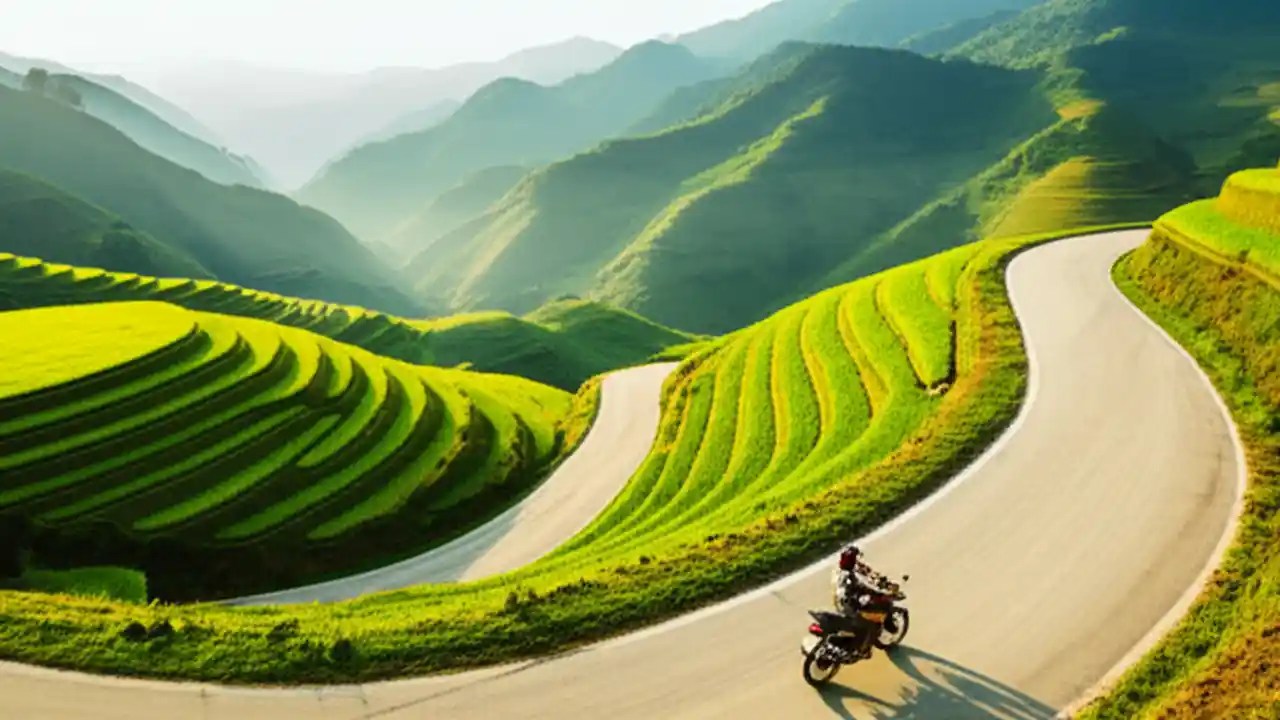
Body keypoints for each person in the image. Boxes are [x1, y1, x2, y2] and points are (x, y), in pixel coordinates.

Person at [830, 544, 894, 659]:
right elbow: (868, 587)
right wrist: (882, 593)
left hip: (839, 602)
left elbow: (865, 571)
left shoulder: (839, 570)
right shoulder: (852, 577)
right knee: (874, 625)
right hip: (850, 607)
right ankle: (863, 650)